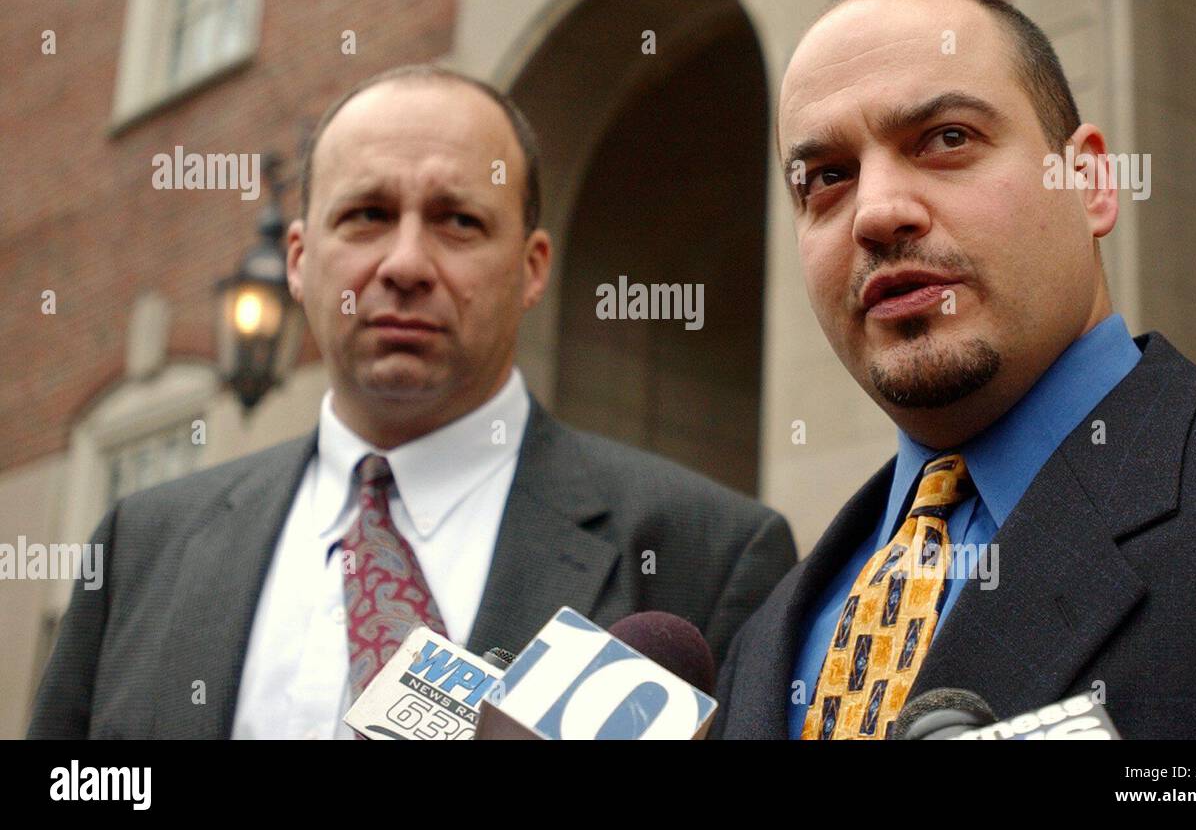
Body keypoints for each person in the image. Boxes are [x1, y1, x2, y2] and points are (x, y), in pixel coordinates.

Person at [29, 65, 796, 739]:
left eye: (458, 222)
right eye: (366, 215)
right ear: (299, 261)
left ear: (532, 269)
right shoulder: (140, 547)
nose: (404, 263)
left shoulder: (712, 555)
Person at [712, 0, 1196, 740]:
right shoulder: (762, 646)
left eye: (947, 139)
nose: (878, 212)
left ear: (1087, 181)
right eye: (828, 178)